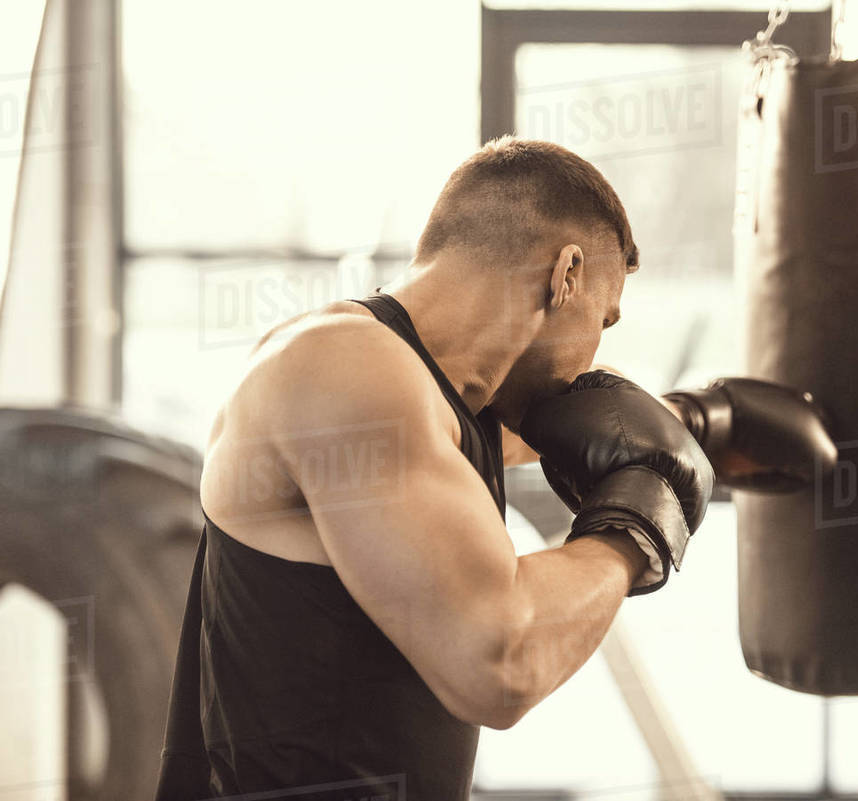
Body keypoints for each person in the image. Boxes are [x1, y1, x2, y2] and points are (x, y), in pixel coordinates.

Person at [154, 136, 716, 801]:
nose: (599, 343)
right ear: (565, 275)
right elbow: (499, 665)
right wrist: (638, 526)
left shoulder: (453, 402)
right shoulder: (345, 371)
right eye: (605, 315)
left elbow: (599, 406)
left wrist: (701, 418)